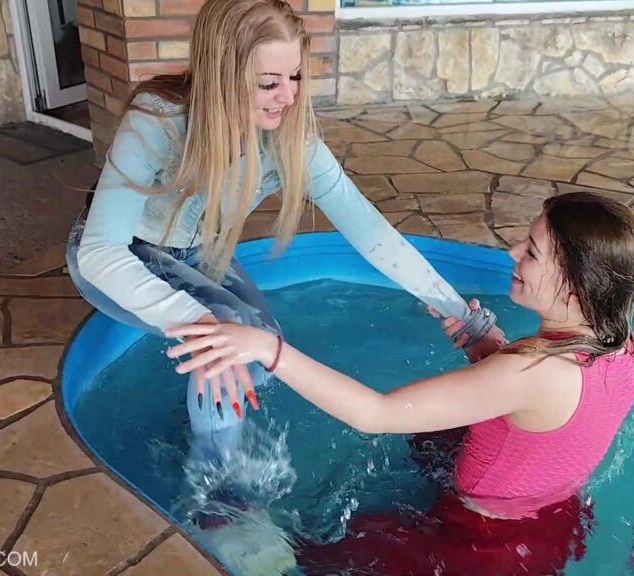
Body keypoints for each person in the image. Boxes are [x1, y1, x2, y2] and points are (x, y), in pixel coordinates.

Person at [65, 0, 500, 465]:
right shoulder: (158, 120)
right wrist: (203, 324)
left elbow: (373, 234)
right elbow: (98, 253)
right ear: (221, 76)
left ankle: (200, 423)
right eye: (269, 83)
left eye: (294, 77)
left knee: (262, 347)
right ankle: (217, 497)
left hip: (196, 254)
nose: (289, 96)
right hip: (123, 256)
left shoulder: (290, 138)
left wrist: (467, 321)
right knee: (236, 346)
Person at [166, 191, 634, 575]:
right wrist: (490, 351)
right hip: (551, 524)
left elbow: (375, 414)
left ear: (575, 282)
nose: (513, 251)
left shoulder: (530, 373)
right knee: (433, 438)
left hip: (479, 547)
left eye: (532, 251)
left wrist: (266, 349)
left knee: (324, 559)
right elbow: (559, 411)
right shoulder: (626, 343)